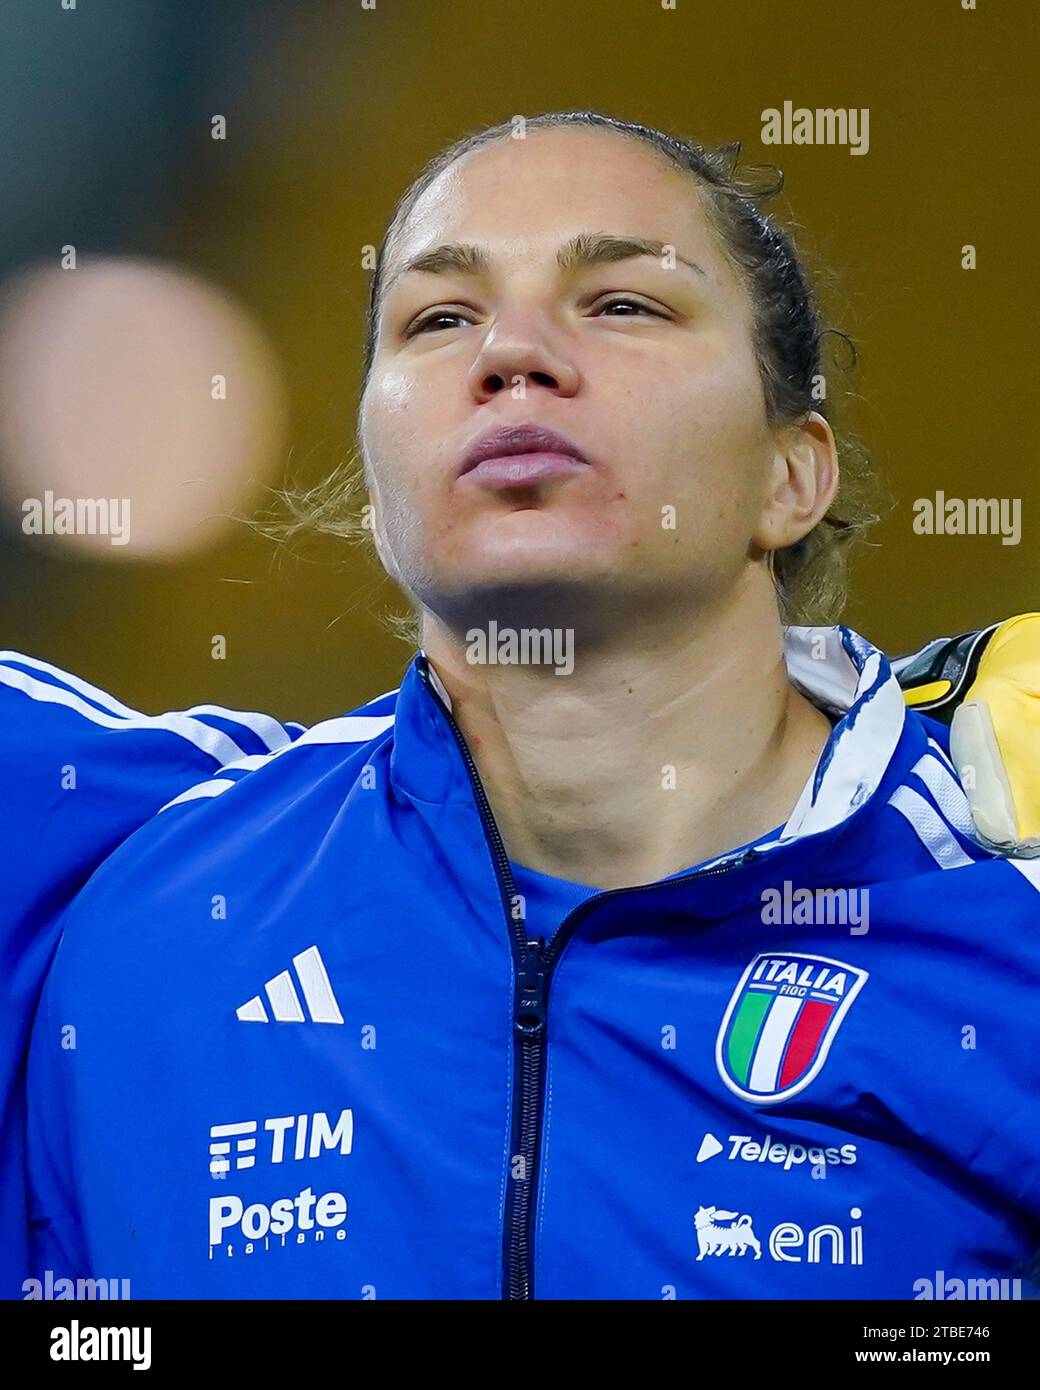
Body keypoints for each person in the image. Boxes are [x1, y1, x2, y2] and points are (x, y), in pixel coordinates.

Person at [6, 111, 1040, 1300]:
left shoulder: (991, 897)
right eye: (438, 319)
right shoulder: (134, 881)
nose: (511, 352)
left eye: (622, 303)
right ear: (377, 484)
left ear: (790, 472)